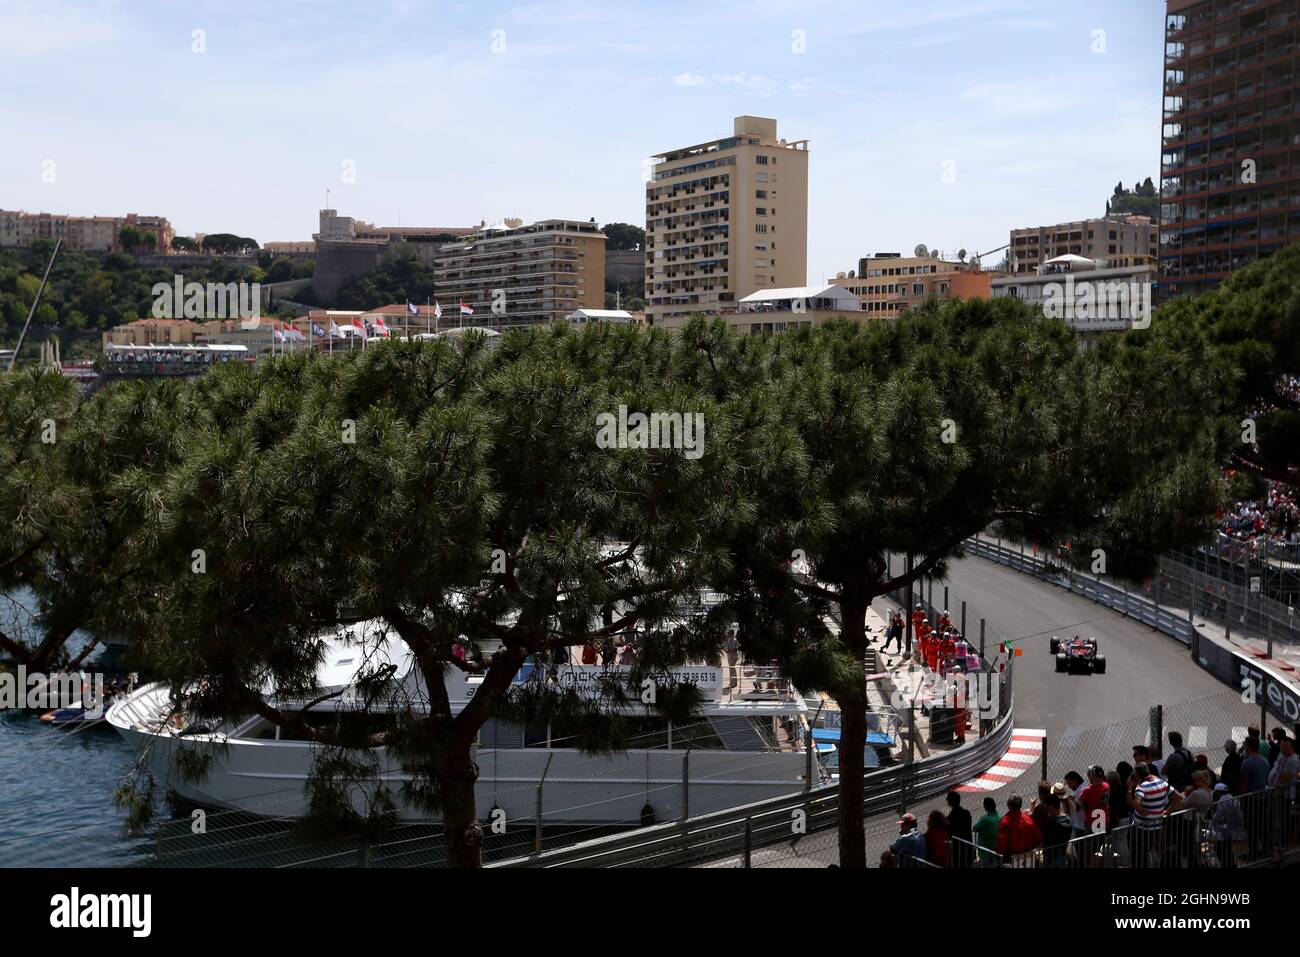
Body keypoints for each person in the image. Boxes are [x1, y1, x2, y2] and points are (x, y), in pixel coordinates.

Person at [1131, 763, 1179, 868]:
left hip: (1140, 828)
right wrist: (1168, 812)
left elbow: (1136, 802)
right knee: (1148, 853)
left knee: (1138, 858)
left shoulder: (1141, 787)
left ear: (1138, 775)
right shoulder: (1163, 783)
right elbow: (1178, 797)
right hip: (1156, 827)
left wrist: (1141, 810)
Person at [1240, 736, 1271, 861]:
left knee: (1251, 827)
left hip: (1251, 799)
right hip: (1262, 797)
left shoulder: (1247, 763)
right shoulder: (1265, 761)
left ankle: (1252, 853)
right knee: (1261, 825)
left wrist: (1241, 797)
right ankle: (1265, 850)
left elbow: (1244, 783)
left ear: (1248, 746)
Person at [996, 795, 1042, 864]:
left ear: (1008, 806)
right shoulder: (1028, 818)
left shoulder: (1005, 822)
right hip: (1028, 856)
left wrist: (998, 853)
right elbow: (1038, 838)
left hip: (1011, 858)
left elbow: (1001, 845)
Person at [1079, 766, 1110, 837]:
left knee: (1091, 845)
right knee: (1102, 843)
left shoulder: (1087, 791)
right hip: (1103, 820)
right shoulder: (1106, 786)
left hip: (1092, 821)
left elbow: (1080, 802)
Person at [946, 790, 973, 867]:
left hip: (958, 849)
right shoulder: (966, 813)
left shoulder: (951, 817)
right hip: (968, 844)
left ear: (950, 802)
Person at [974, 797, 1001, 866]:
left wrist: (981, 819)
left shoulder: (985, 819)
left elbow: (975, 828)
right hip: (996, 849)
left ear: (985, 807)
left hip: (986, 851)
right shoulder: (1000, 817)